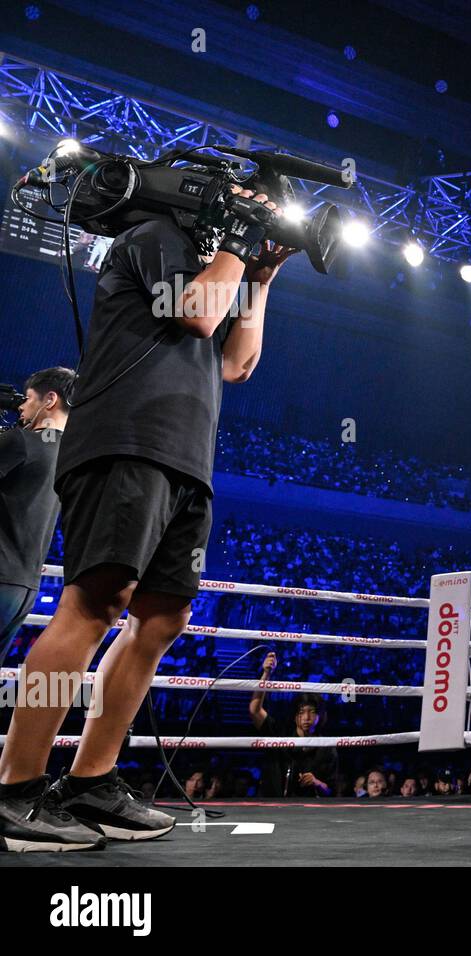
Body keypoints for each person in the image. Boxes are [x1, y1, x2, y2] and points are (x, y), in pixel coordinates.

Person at [0, 184, 296, 852]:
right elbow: (195, 314)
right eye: (250, 203)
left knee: (162, 617)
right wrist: (238, 245)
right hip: (126, 441)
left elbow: (236, 362)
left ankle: (91, 783)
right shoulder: (156, 238)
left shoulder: (216, 263)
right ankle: (15, 789)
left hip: (185, 456)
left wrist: (263, 277)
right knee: (96, 604)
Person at [0, 367, 74, 666]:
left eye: (28, 399)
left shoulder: (21, 442)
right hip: (23, 586)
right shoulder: (71, 456)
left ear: (50, 400)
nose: (21, 406)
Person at [249, 652, 338, 798]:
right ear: (295, 714)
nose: (306, 717)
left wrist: (317, 782)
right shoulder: (279, 733)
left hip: (307, 812)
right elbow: (254, 710)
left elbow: (332, 791)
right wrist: (266, 673)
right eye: (301, 712)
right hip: (271, 806)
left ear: (320, 715)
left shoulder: (327, 749)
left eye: (312, 712)